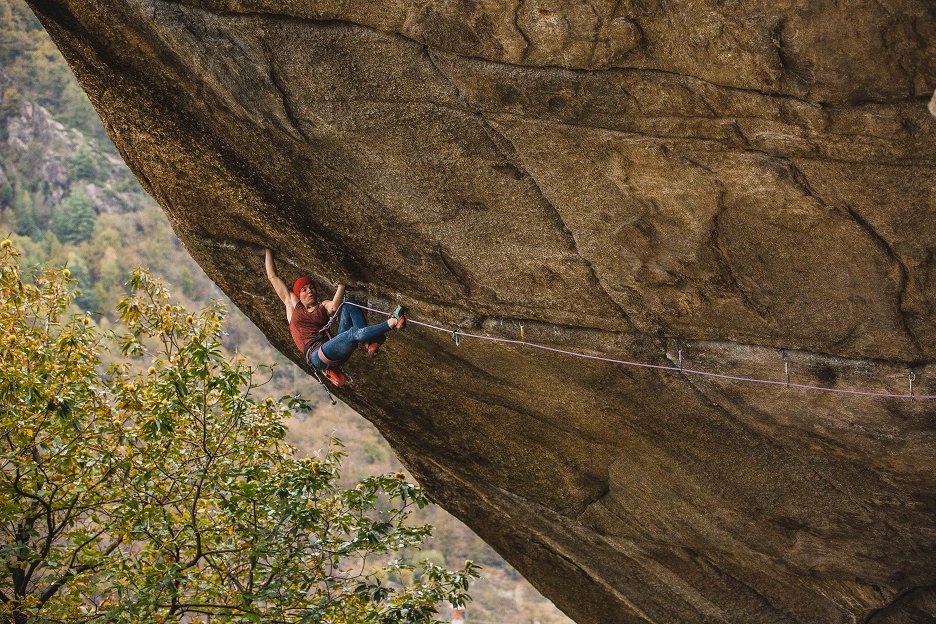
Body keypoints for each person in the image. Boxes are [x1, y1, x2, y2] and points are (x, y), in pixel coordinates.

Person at [264, 249, 405, 386]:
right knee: (352, 334)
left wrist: (341, 285)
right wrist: (268, 249)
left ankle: (368, 343)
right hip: (318, 355)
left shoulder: (322, 306)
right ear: (298, 295)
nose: (309, 291)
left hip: (334, 349)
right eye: (304, 290)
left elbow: (333, 307)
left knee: (349, 304)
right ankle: (393, 321)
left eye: (311, 288)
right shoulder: (293, 307)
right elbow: (272, 276)